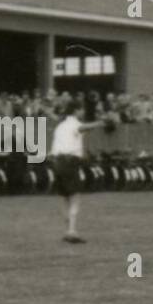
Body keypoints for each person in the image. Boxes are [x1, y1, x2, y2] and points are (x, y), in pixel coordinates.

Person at [51, 101, 102, 243]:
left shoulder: (60, 126)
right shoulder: (73, 124)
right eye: (81, 110)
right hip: (70, 162)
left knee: (64, 198)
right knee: (75, 197)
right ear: (76, 111)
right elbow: (82, 128)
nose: (83, 113)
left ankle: (67, 230)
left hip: (57, 162)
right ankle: (72, 231)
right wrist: (99, 123)